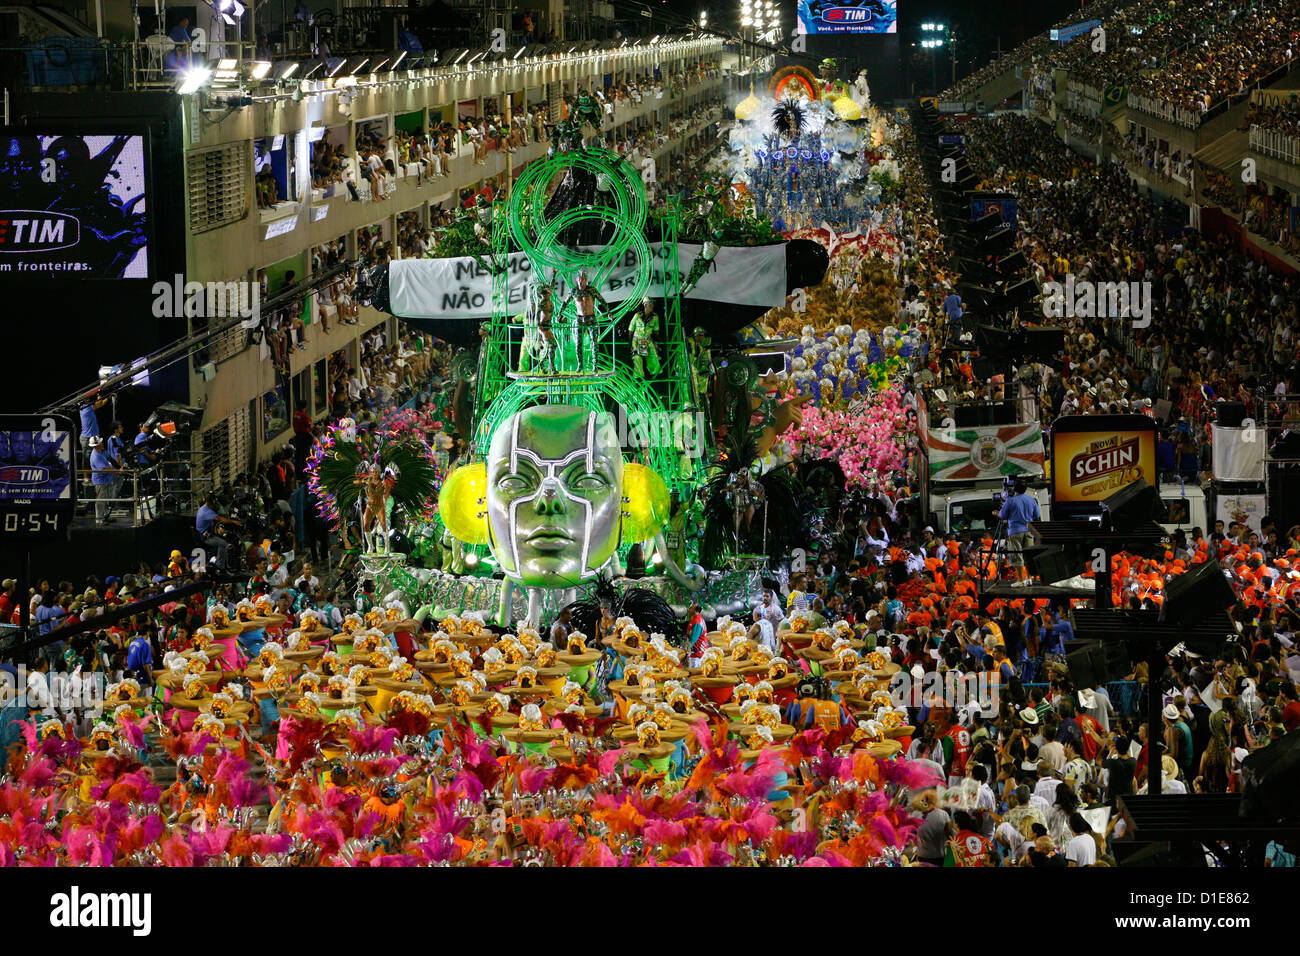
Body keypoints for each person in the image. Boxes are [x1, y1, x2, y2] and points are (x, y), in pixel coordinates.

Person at [998, 479, 1040, 586]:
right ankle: (1029, 579)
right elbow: (1036, 516)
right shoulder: (1032, 500)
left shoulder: (1010, 501)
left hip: (1015, 532)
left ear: (1014, 488)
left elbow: (1003, 516)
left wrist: (996, 513)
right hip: (1029, 532)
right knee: (1028, 556)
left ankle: (1020, 580)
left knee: (1017, 556)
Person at [196, 495, 239, 569]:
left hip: (208, 533)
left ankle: (225, 562)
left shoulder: (203, 508)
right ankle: (220, 567)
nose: (214, 505)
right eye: (213, 503)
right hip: (205, 537)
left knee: (225, 536)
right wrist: (234, 521)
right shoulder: (206, 511)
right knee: (222, 543)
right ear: (209, 503)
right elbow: (219, 518)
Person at [88, 437, 116, 526]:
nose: (102, 442)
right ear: (96, 445)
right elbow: (104, 468)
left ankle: (105, 516)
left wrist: (118, 466)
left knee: (107, 499)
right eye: (100, 442)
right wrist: (117, 471)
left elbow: (110, 458)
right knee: (101, 500)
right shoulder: (95, 456)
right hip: (101, 481)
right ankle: (99, 520)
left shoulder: (102, 450)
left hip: (107, 479)